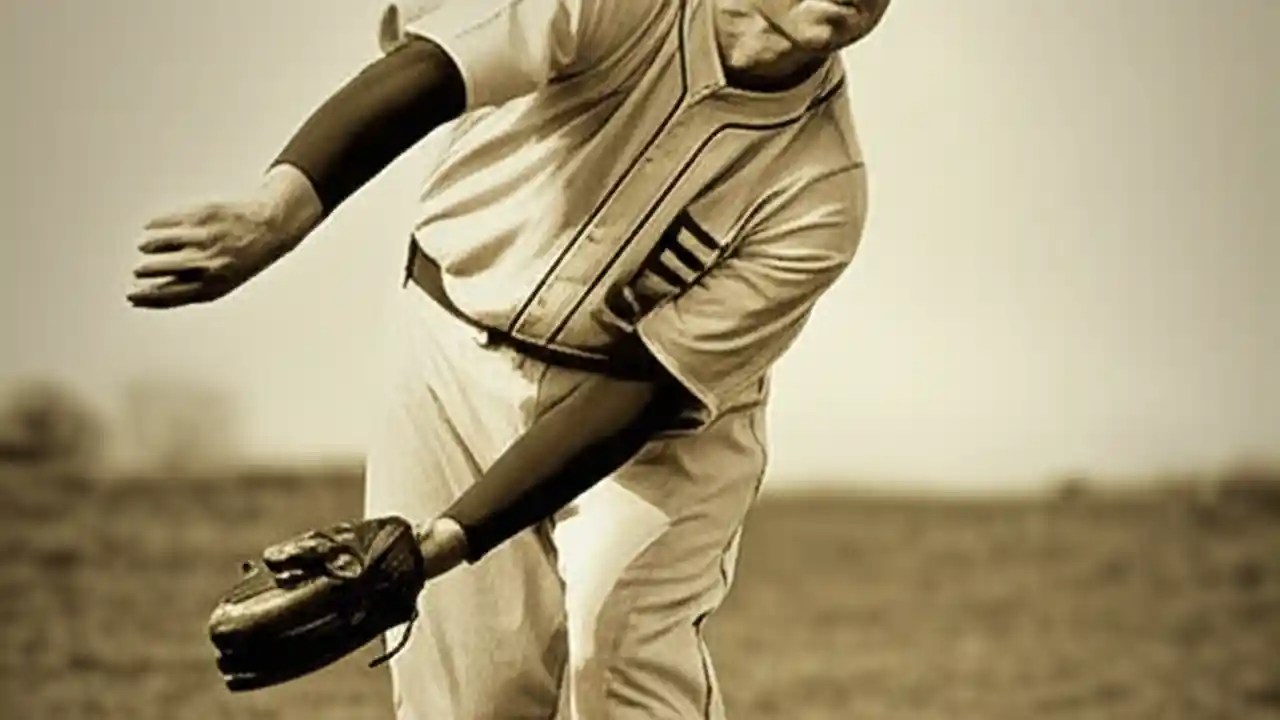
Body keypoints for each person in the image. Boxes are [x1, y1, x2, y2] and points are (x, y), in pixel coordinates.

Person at [128, 0, 891, 717]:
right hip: (448, 358)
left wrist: (443, 541)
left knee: (621, 654)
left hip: (654, 439)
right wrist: (278, 211)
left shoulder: (822, 191)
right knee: (466, 702)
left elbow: (642, 388)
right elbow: (433, 69)